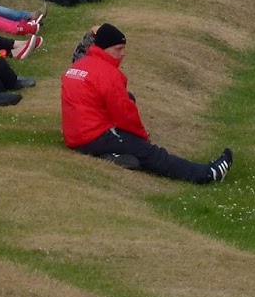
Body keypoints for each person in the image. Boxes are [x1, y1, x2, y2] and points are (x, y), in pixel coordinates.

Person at [60, 23, 232, 183]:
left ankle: (111, 153)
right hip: (93, 136)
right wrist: (142, 139)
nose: (123, 53)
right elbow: (125, 114)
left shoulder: (80, 65)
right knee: (152, 154)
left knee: (128, 99)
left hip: (75, 135)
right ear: (105, 49)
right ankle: (208, 174)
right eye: (118, 49)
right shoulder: (108, 74)